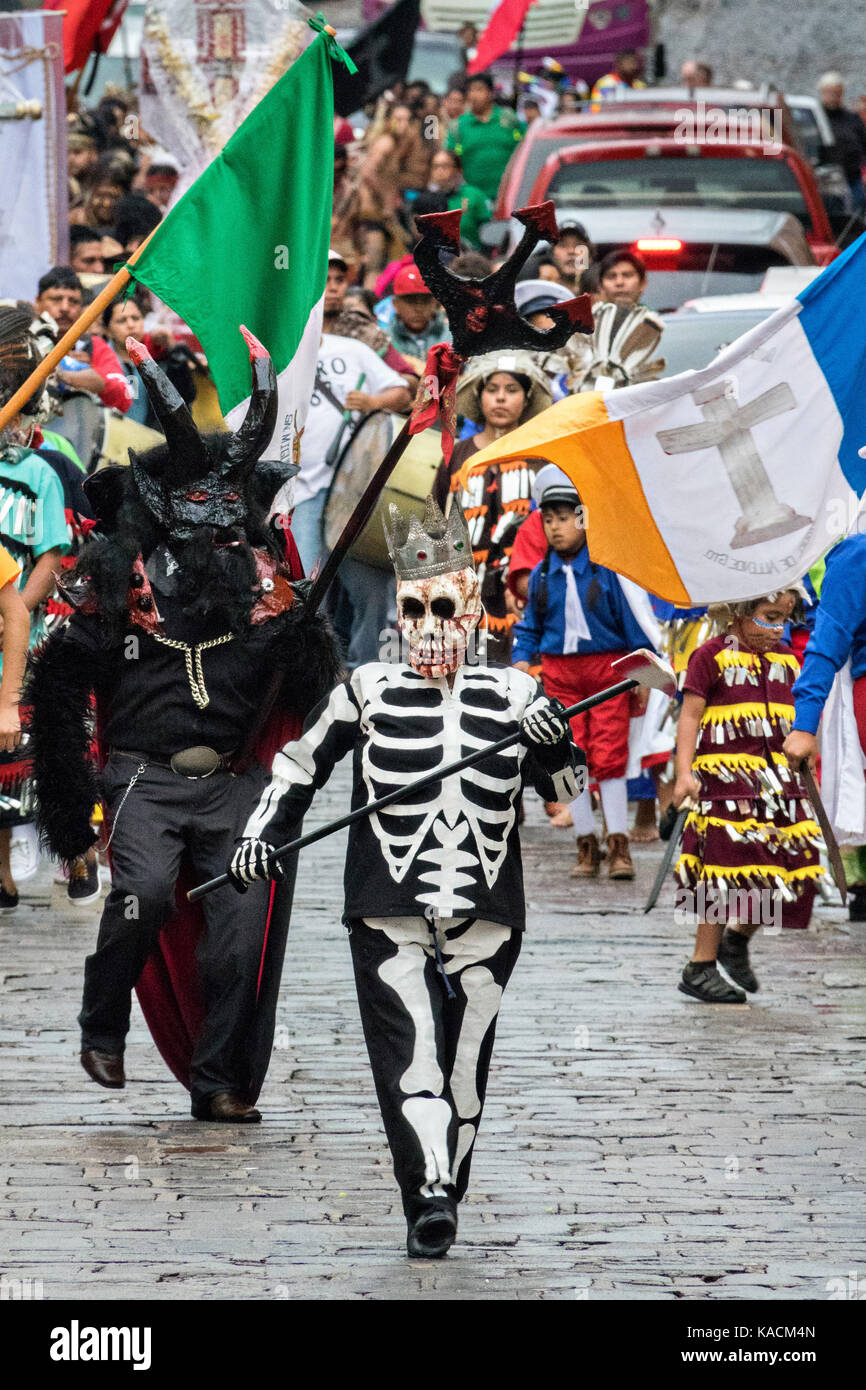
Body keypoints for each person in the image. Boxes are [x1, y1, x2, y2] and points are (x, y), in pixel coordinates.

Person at [226, 493, 585, 1257]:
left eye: (444, 608)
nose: (428, 626)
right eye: (414, 608)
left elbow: (565, 797)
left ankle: (444, 1178)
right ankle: (426, 1194)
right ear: (398, 611)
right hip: (388, 904)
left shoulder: (515, 694)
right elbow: (297, 769)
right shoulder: (369, 690)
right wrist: (260, 837)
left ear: (473, 615)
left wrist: (553, 744)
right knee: (410, 1049)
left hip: (487, 907)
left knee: (465, 1065)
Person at [27, 331, 340, 1120]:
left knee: (240, 932)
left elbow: (311, 691)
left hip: (233, 788)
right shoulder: (123, 585)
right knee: (142, 896)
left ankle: (217, 1082)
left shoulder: (263, 595)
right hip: (142, 780)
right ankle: (102, 1023)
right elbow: (61, 682)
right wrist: (70, 807)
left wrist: (310, 637)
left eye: (229, 531)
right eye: (199, 530)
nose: (215, 544)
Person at [673, 591, 824, 1004]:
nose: (777, 629)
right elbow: (690, 715)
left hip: (780, 786)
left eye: (784, 620)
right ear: (740, 613)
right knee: (724, 873)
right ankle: (700, 965)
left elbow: (798, 721)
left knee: (791, 868)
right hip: (726, 787)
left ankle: (737, 939)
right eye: (769, 617)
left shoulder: (789, 661)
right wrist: (684, 774)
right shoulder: (709, 655)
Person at [512, 467, 661, 880]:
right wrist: (522, 657)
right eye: (548, 519)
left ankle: (618, 843)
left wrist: (644, 680)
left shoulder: (608, 571)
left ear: (584, 519)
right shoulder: (542, 576)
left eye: (564, 518)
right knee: (567, 756)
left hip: (608, 670)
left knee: (610, 756)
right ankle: (585, 841)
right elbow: (530, 626)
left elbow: (636, 628)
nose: (556, 528)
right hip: (560, 674)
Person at [0, 307, 71, 908]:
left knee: (41, 743)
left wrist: (13, 612)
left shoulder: (45, 472)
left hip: (28, 621)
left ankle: (75, 850)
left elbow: (51, 555)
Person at [292, 274, 411, 575]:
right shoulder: (279, 356)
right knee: (306, 587)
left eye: (338, 280)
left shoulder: (352, 348)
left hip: (358, 487)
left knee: (368, 588)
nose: (330, 288)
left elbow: (402, 393)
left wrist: (372, 403)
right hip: (303, 491)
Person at [445, 352, 553, 662]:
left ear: (527, 396)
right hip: (462, 592)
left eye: (511, 390)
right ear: (479, 397)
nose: (501, 398)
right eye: (492, 389)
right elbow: (437, 517)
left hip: (523, 592)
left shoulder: (541, 456)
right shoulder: (458, 454)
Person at [34, 267, 132, 414]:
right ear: (38, 302)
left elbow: (124, 397)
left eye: (73, 301)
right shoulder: (23, 340)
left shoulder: (94, 345)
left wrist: (76, 373)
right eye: (56, 299)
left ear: (81, 307)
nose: (65, 308)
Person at [445, 73, 526, 203]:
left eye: (479, 89)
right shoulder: (458, 126)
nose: (473, 95)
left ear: (490, 93)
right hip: (473, 199)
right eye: (470, 90)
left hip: (510, 195)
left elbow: (525, 149)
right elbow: (450, 159)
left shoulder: (509, 119)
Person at [817, 72, 866, 211]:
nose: (833, 97)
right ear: (822, 92)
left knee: (856, 221)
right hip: (825, 184)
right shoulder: (815, 119)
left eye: (837, 93)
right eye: (830, 93)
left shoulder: (853, 119)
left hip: (853, 179)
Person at [428, 149, 490, 251]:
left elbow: (488, 229)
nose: (439, 171)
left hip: (472, 255)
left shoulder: (473, 195)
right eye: (435, 167)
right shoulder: (425, 200)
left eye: (445, 166)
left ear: (458, 170)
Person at [389, 265, 451, 367]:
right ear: (396, 304)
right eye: (410, 301)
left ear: (435, 303)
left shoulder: (452, 337)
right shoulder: (385, 338)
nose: (418, 309)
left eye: (425, 301)